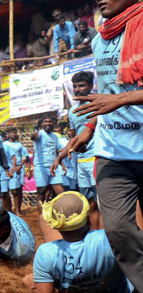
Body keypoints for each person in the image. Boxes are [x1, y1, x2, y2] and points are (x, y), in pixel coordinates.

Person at [67, 0, 143, 293]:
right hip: (113, 152)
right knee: (120, 232)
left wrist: (122, 102)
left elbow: (117, 97)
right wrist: (91, 126)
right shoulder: (100, 38)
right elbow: (110, 91)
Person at [27, 192, 135, 293]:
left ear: (56, 227)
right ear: (88, 218)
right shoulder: (110, 239)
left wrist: (33, 288)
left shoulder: (45, 253)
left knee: (29, 280)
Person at [56, 71, 100, 228]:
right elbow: (73, 140)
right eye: (75, 86)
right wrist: (59, 157)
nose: (78, 89)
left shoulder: (97, 105)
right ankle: (95, 235)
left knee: (102, 203)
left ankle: (106, 239)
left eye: (82, 85)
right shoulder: (72, 112)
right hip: (81, 163)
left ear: (90, 86)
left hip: (96, 160)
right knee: (89, 204)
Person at [31, 114, 65, 203]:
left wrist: (62, 165)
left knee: (61, 193)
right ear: (42, 124)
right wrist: (35, 131)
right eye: (45, 121)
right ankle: (41, 216)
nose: (48, 123)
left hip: (54, 168)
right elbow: (34, 137)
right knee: (41, 194)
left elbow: (56, 151)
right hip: (41, 168)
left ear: (53, 123)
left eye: (50, 121)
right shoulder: (40, 133)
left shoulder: (55, 136)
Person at [3, 127, 29, 216]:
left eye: (14, 132)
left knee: (17, 190)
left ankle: (18, 210)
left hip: (18, 168)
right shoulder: (4, 144)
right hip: (7, 168)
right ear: (8, 134)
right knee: (6, 191)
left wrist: (20, 166)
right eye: (11, 132)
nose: (13, 134)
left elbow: (24, 156)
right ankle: (8, 210)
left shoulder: (19, 145)